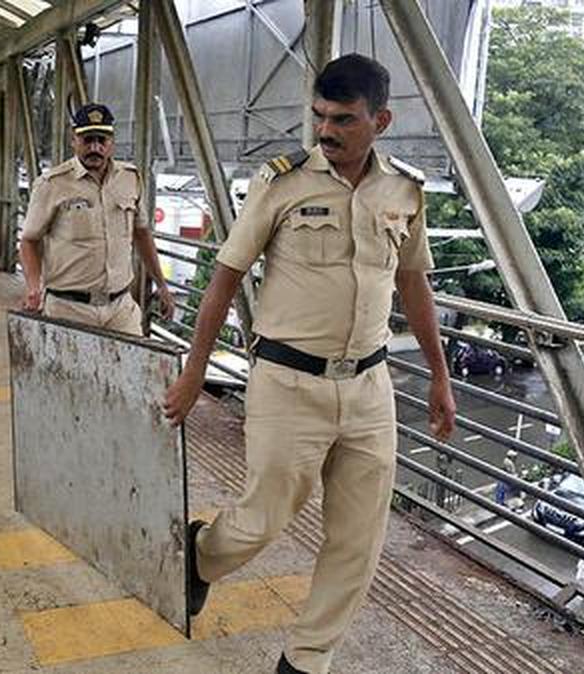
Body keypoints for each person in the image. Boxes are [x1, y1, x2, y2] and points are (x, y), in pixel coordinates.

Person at [162, 54, 456, 674]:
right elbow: (224, 279)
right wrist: (194, 371)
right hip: (287, 382)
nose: (326, 131)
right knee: (263, 520)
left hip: (371, 388)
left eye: (343, 120)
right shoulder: (282, 182)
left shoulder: (405, 190)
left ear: (381, 120)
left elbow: (414, 283)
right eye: (319, 116)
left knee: (358, 541)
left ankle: (305, 659)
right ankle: (202, 554)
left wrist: (438, 372)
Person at [19, 103, 175, 335]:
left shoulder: (130, 179)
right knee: (69, 373)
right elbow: (29, 241)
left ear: (111, 142)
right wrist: (33, 286)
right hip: (69, 309)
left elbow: (141, 233)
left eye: (102, 140)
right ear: (74, 140)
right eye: (87, 140)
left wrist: (162, 285)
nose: (95, 147)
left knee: (131, 370)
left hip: (121, 308)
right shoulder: (52, 184)